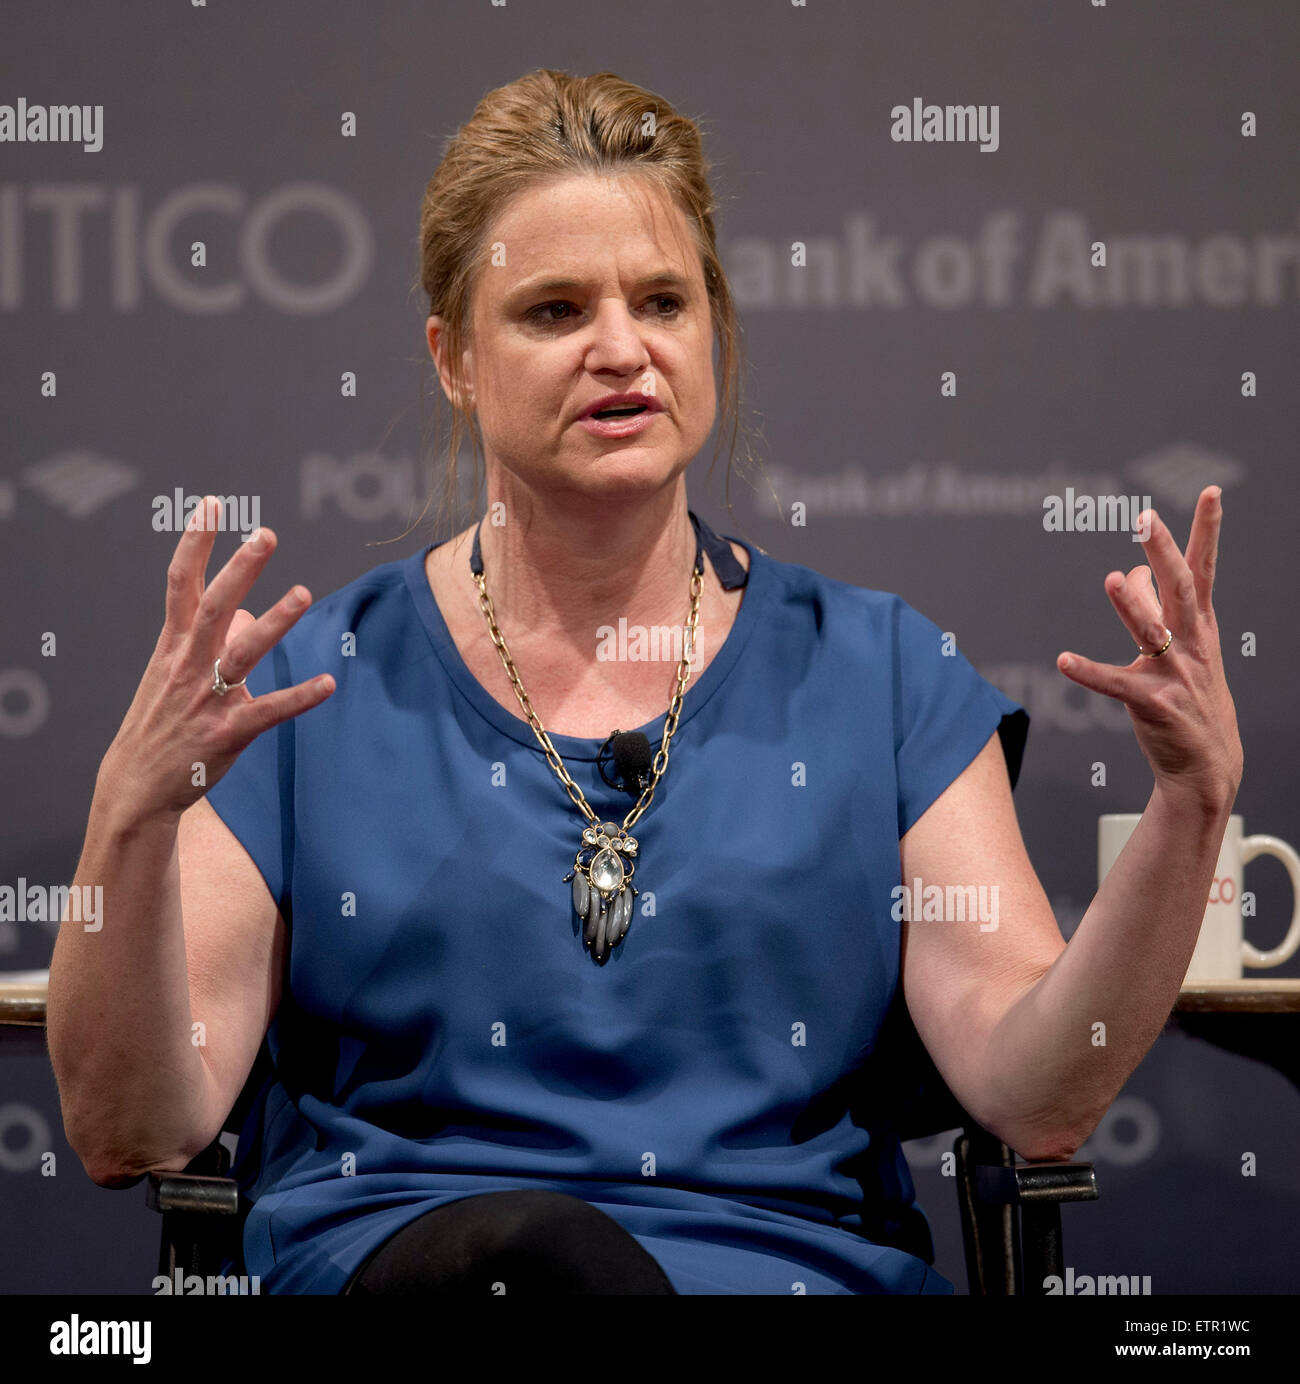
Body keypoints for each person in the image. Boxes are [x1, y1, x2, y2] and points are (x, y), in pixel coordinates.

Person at [46, 69, 1243, 1296]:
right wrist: (128, 813)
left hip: (785, 1276)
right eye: (555, 310)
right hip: (420, 1271)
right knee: (529, 1264)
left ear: (711, 326)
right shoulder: (310, 692)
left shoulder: (881, 674)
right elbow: (130, 1127)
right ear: (454, 358)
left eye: (661, 299)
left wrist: (1189, 810)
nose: (621, 348)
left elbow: (1034, 1093)